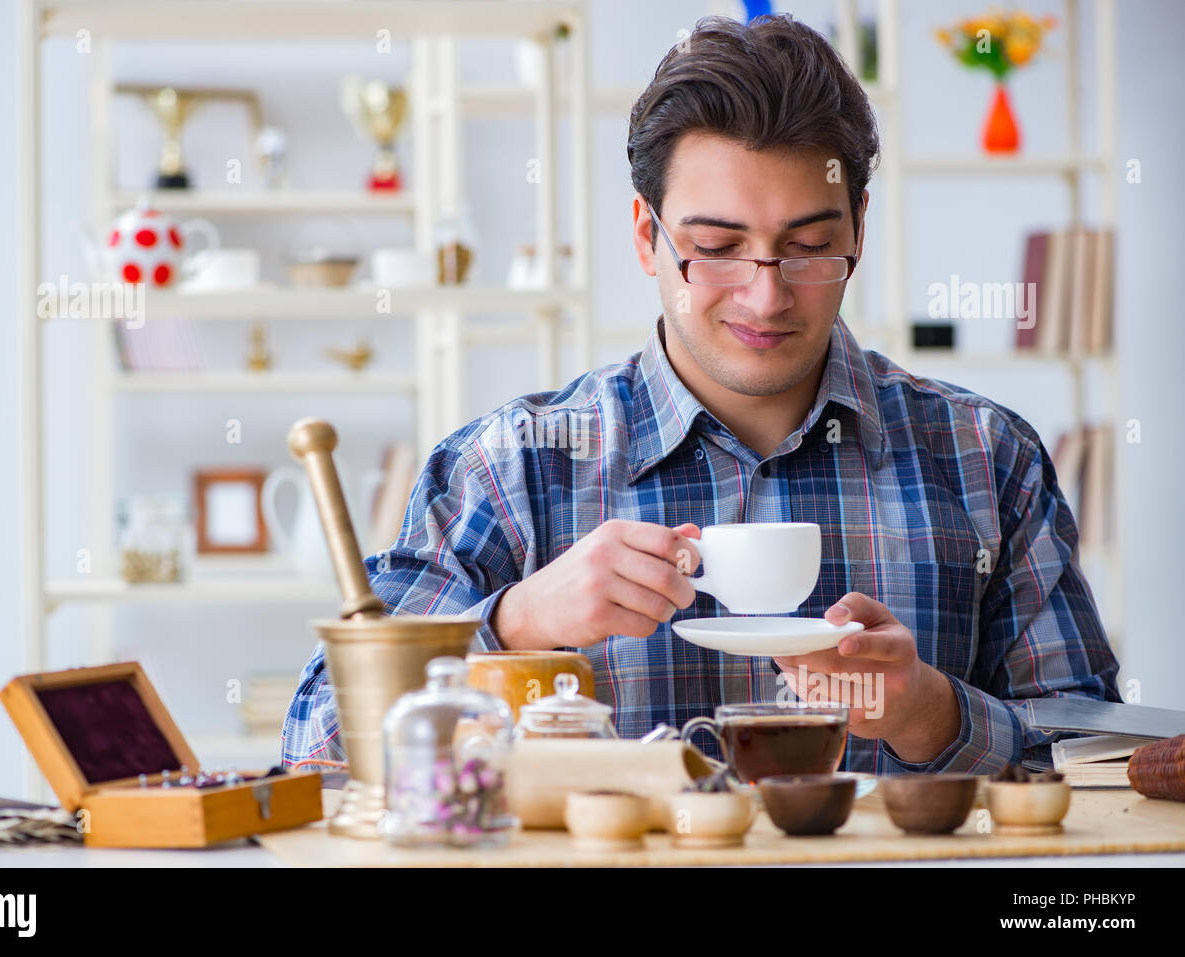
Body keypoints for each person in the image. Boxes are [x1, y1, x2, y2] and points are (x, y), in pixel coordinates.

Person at [282, 14, 1120, 774]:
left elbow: (1100, 758)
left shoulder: (983, 455)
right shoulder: (510, 469)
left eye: (810, 246)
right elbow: (317, 746)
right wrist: (515, 623)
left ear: (859, 226)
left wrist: (931, 712)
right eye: (716, 248)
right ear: (647, 235)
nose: (766, 297)